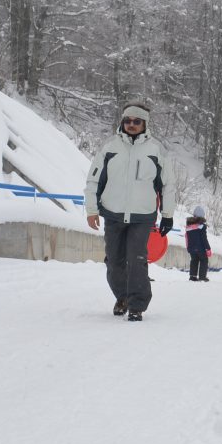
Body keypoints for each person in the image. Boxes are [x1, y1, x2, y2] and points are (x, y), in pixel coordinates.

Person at [84, 102, 175, 322]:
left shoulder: (156, 150)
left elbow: (168, 185)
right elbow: (94, 179)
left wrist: (168, 214)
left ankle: (137, 304)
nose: (131, 125)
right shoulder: (109, 148)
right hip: (113, 214)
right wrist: (91, 209)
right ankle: (122, 298)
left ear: (145, 124)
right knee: (114, 261)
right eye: (127, 120)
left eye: (136, 121)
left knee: (137, 259)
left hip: (142, 216)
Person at [185, 205, 212, 282]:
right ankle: (202, 277)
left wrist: (188, 247)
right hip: (200, 248)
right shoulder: (202, 226)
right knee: (204, 260)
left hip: (191, 248)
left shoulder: (188, 226)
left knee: (194, 260)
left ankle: (192, 276)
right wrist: (208, 248)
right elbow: (204, 238)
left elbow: (187, 238)